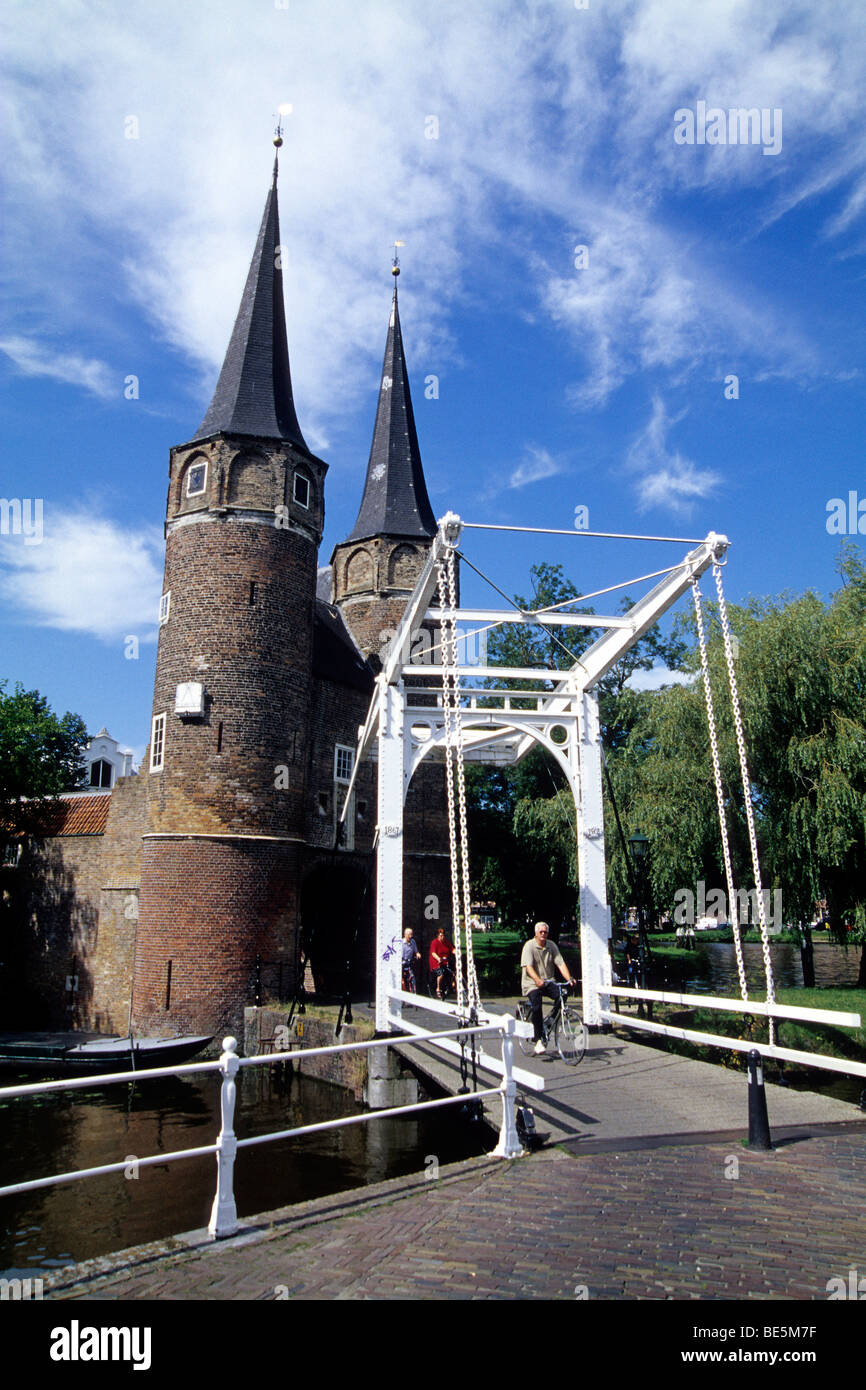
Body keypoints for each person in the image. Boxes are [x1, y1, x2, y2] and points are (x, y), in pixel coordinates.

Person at [520, 921, 577, 1056]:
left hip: (548, 981)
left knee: (563, 993)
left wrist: (569, 978)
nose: (543, 934)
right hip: (532, 983)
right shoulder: (529, 946)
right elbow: (528, 967)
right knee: (537, 1005)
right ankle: (538, 1039)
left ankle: (550, 1021)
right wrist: (537, 980)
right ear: (536, 933)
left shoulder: (551, 946)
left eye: (545, 932)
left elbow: (560, 963)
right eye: (541, 932)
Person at [428, 927, 455, 998]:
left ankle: (451, 986)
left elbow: (452, 949)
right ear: (438, 936)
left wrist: (456, 952)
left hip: (445, 962)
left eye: (443, 935)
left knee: (452, 972)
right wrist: (438, 958)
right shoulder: (434, 942)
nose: (442, 937)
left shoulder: (446, 942)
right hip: (436, 962)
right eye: (441, 936)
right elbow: (433, 953)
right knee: (441, 974)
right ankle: (438, 988)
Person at [401, 926, 421, 992]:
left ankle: (413, 992)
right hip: (401, 964)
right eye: (409, 935)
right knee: (402, 981)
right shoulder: (401, 943)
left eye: (411, 934)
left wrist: (418, 954)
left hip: (409, 963)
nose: (410, 936)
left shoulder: (413, 942)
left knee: (412, 978)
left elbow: (416, 951)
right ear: (405, 935)